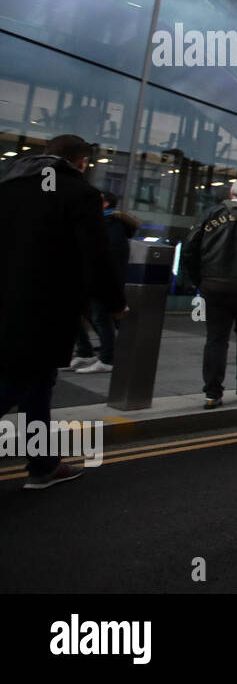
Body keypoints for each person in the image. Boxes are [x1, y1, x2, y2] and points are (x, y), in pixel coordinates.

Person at [0, 135, 126, 488]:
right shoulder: (78, 194)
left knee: (36, 384)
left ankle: (43, 465)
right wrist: (115, 303)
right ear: (81, 161)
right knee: (18, 381)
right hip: (42, 306)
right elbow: (96, 256)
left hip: (7, 302)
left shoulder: (8, 187)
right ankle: (43, 466)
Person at [182, 177, 237, 410]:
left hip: (214, 285)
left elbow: (190, 248)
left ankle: (212, 393)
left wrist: (199, 281)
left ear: (232, 193)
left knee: (216, 339)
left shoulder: (211, 214)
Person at [72, 190, 140, 375]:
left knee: (101, 318)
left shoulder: (112, 225)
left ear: (106, 204)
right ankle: (88, 351)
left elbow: (108, 257)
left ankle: (107, 357)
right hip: (91, 277)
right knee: (88, 314)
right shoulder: (103, 223)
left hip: (98, 279)